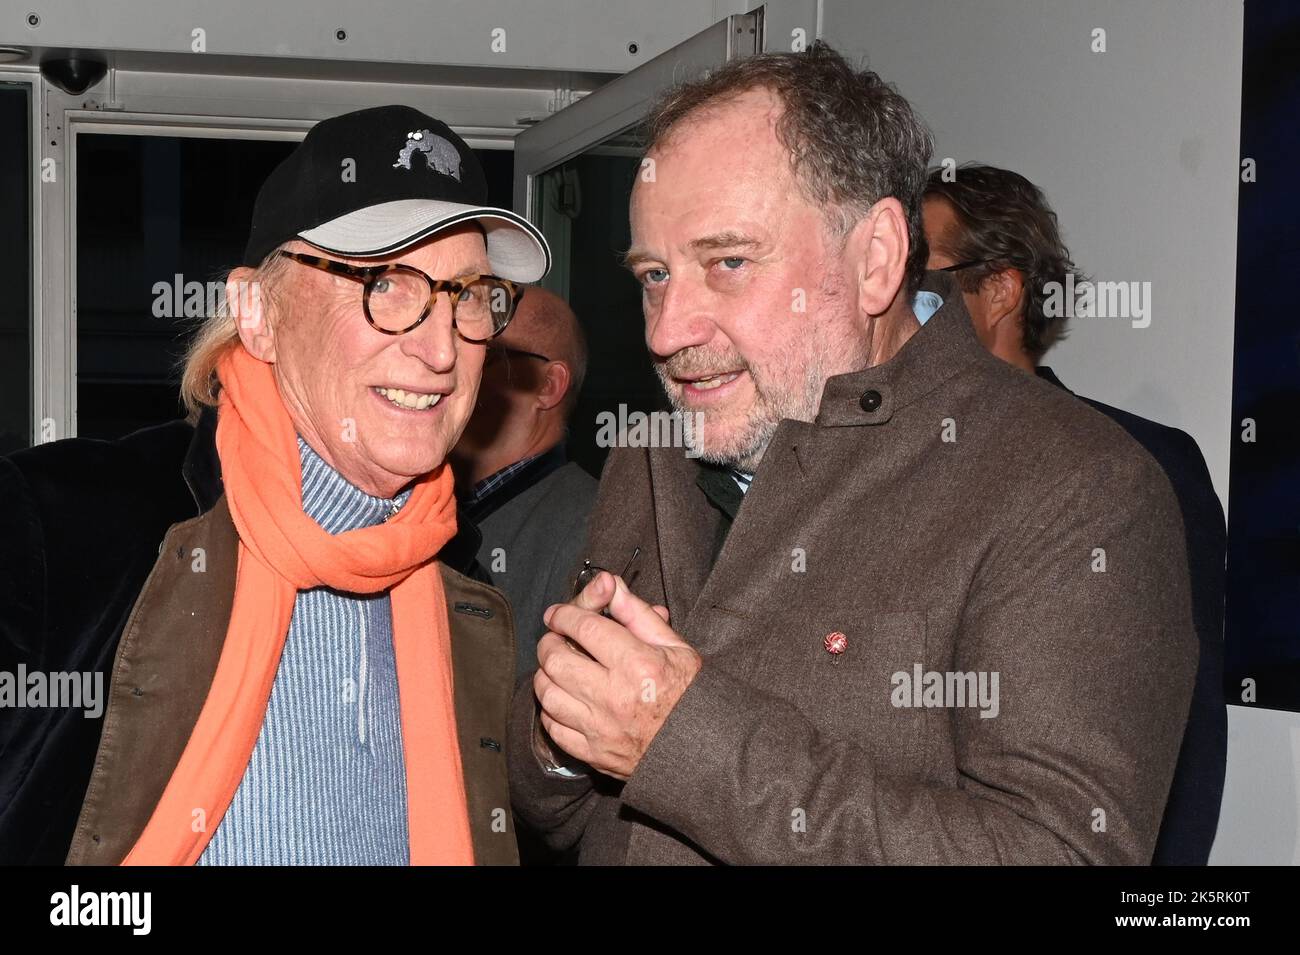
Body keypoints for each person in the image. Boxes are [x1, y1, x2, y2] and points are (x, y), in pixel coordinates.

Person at [507, 42, 1198, 864]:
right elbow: (584, 816)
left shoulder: (1078, 488)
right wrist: (557, 740)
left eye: (727, 262)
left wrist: (681, 739)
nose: (665, 332)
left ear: (875, 260)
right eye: (654, 275)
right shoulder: (653, 454)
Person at [0, 105, 549, 865]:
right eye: (388, 284)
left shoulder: (466, 594)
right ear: (257, 312)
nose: (439, 347)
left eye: (468, 295)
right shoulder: (69, 527)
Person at [922, 162, 1228, 865]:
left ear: (999, 290)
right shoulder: (877, 458)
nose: (889, 303)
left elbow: (1184, 731)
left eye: (921, 281)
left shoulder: (1136, 462)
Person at [451, 286, 597, 682]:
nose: (453, 361)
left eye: (488, 352)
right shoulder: (423, 502)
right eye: (460, 341)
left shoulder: (590, 528)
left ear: (548, 387)